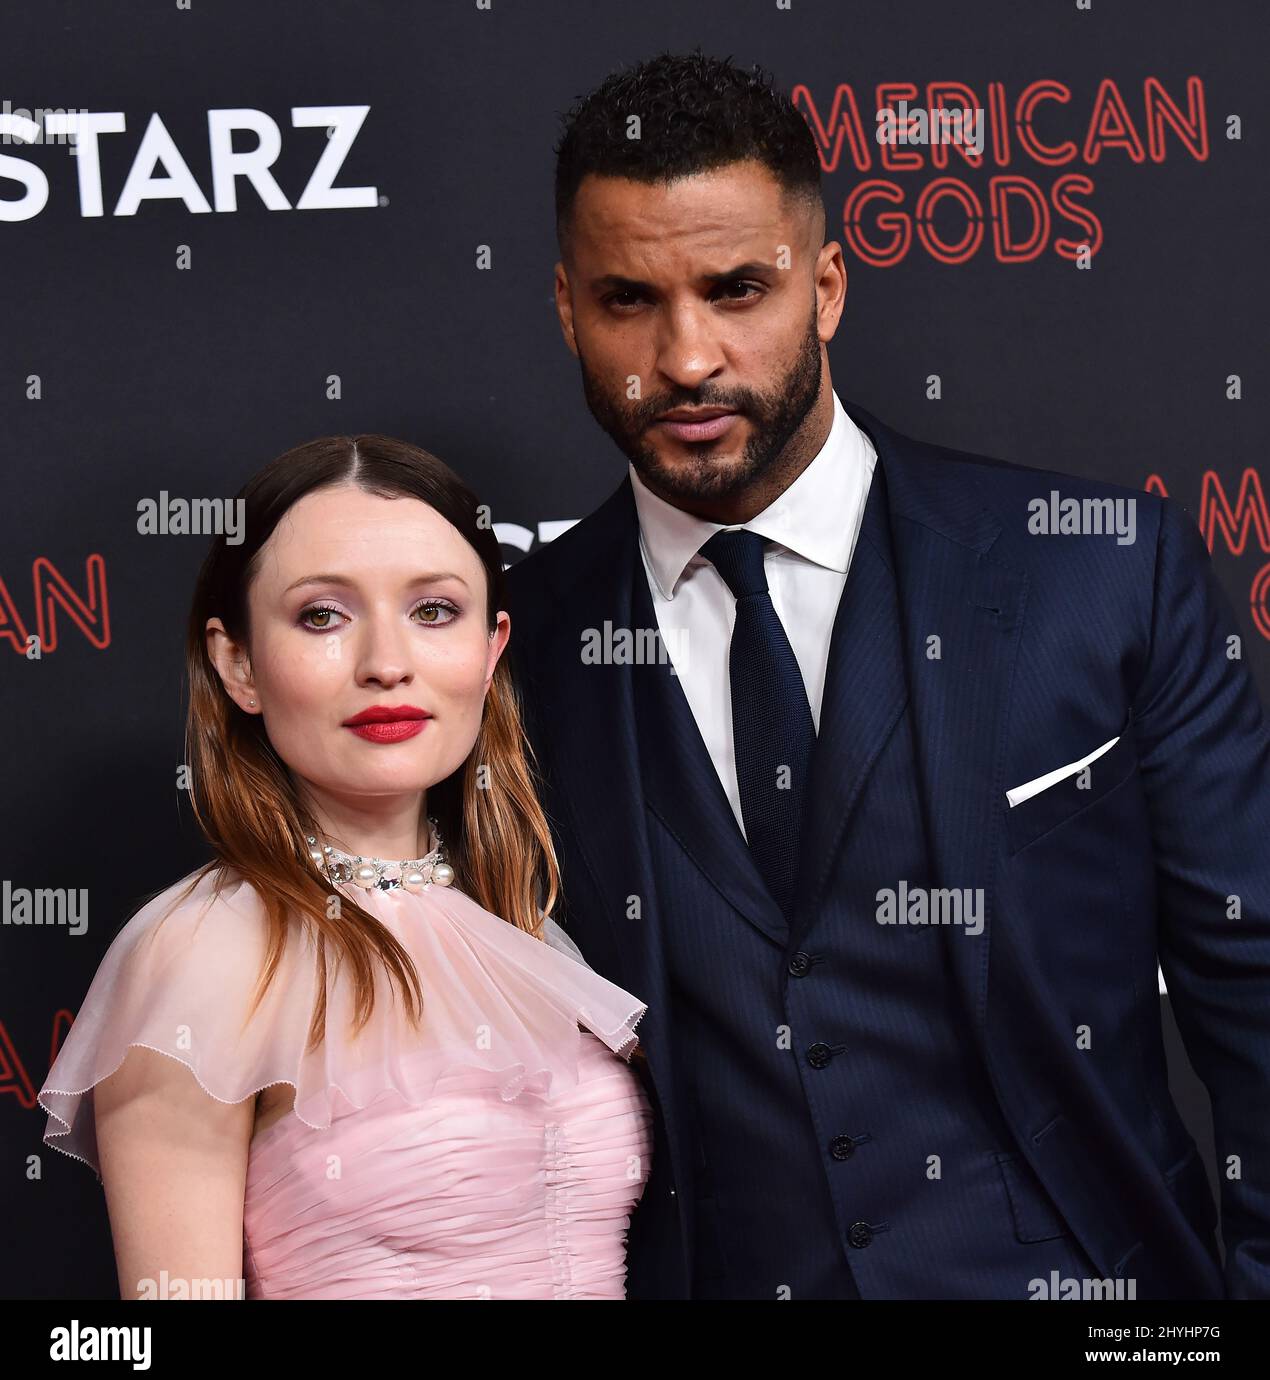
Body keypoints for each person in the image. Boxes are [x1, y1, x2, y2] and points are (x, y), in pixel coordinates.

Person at [504, 49, 1270, 1299]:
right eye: (628, 299)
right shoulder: (512, 647)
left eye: (737, 289)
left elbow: (1253, 976)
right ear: (564, 307)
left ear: (826, 289)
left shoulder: (1096, 570)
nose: (685, 357)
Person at [38, 434, 652, 1300]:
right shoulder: (202, 953)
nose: (386, 664)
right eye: (323, 616)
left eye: (433, 611)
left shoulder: (524, 925)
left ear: (491, 649)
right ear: (238, 664)